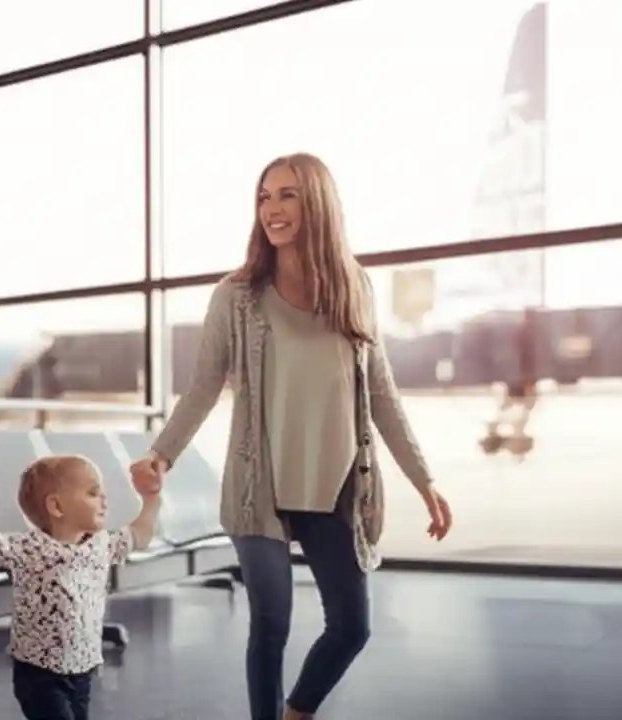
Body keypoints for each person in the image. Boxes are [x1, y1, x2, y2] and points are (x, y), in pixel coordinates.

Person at [130, 153, 453, 720]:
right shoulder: (236, 296)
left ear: (318, 203)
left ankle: (296, 713)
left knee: (352, 627)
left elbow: (382, 394)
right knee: (271, 623)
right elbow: (205, 385)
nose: (272, 209)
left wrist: (425, 481)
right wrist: (162, 454)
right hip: (261, 491)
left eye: (288, 195)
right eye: (264, 196)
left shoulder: (355, 288)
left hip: (335, 490)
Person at [0, 455, 161, 720]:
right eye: (92, 492)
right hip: (39, 673)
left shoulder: (101, 545)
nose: (104, 499)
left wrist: (151, 499)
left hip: (82, 669)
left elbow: (141, 534)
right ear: (56, 506)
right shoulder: (30, 548)